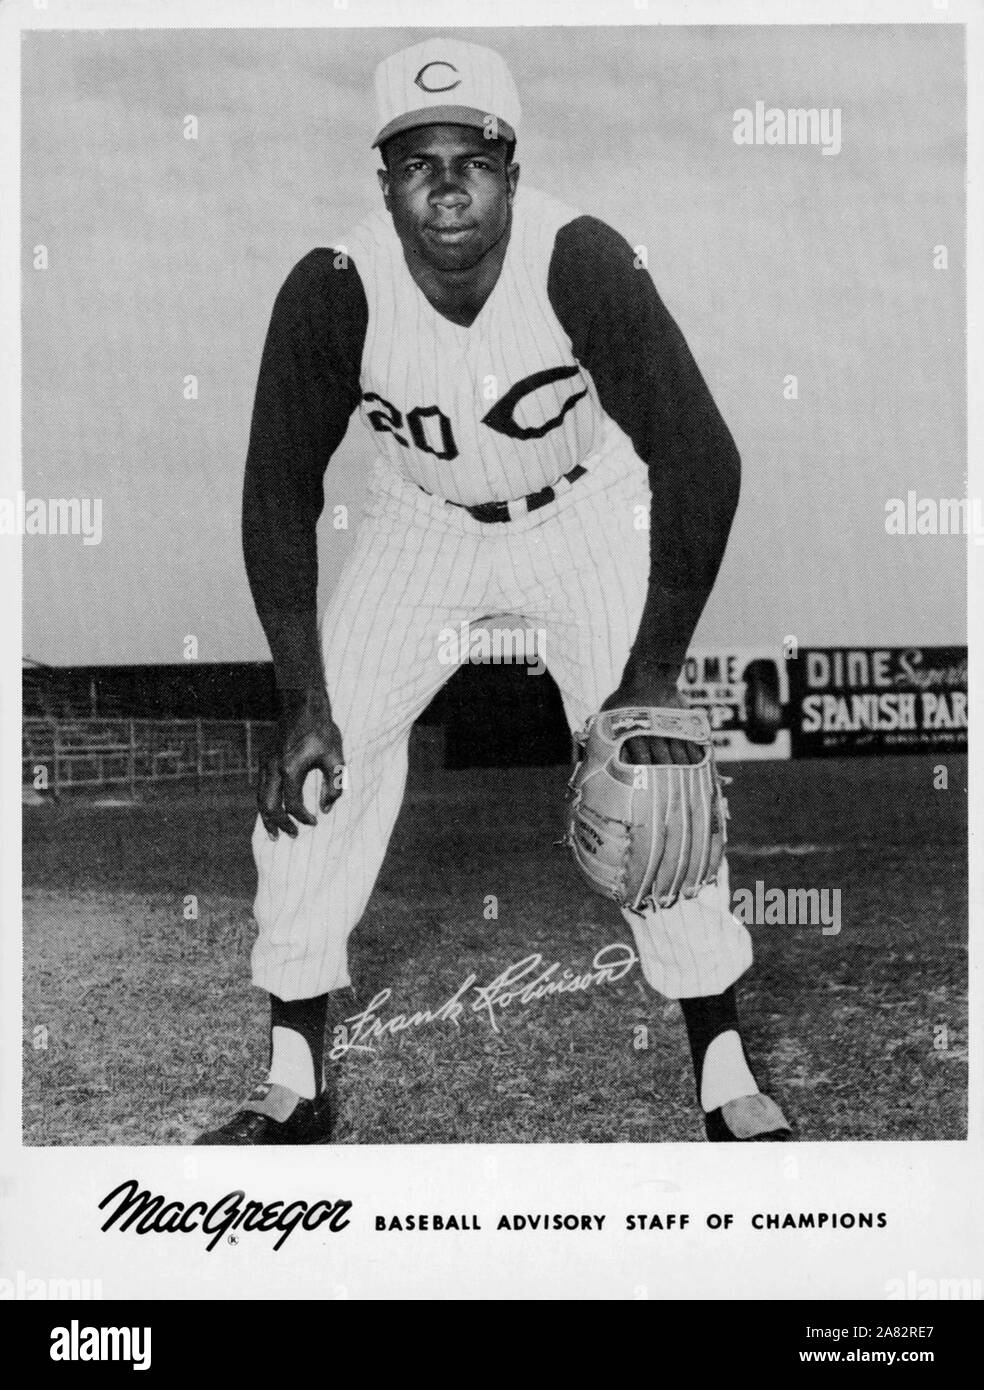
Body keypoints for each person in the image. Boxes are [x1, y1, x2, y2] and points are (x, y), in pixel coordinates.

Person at [196, 38, 791, 1145]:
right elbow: (276, 491)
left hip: (581, 509)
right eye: (416, 161)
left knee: (655, 772)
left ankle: (720, 1059)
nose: (447, 183)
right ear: (384, 183)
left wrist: (647, 679)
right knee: (323, 766)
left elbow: (703, 457)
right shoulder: (335, 288)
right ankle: (292, 1069)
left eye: (474, 155)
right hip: (422, 522)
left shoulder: (581, 259)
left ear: (513, 169)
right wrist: (301, 701)